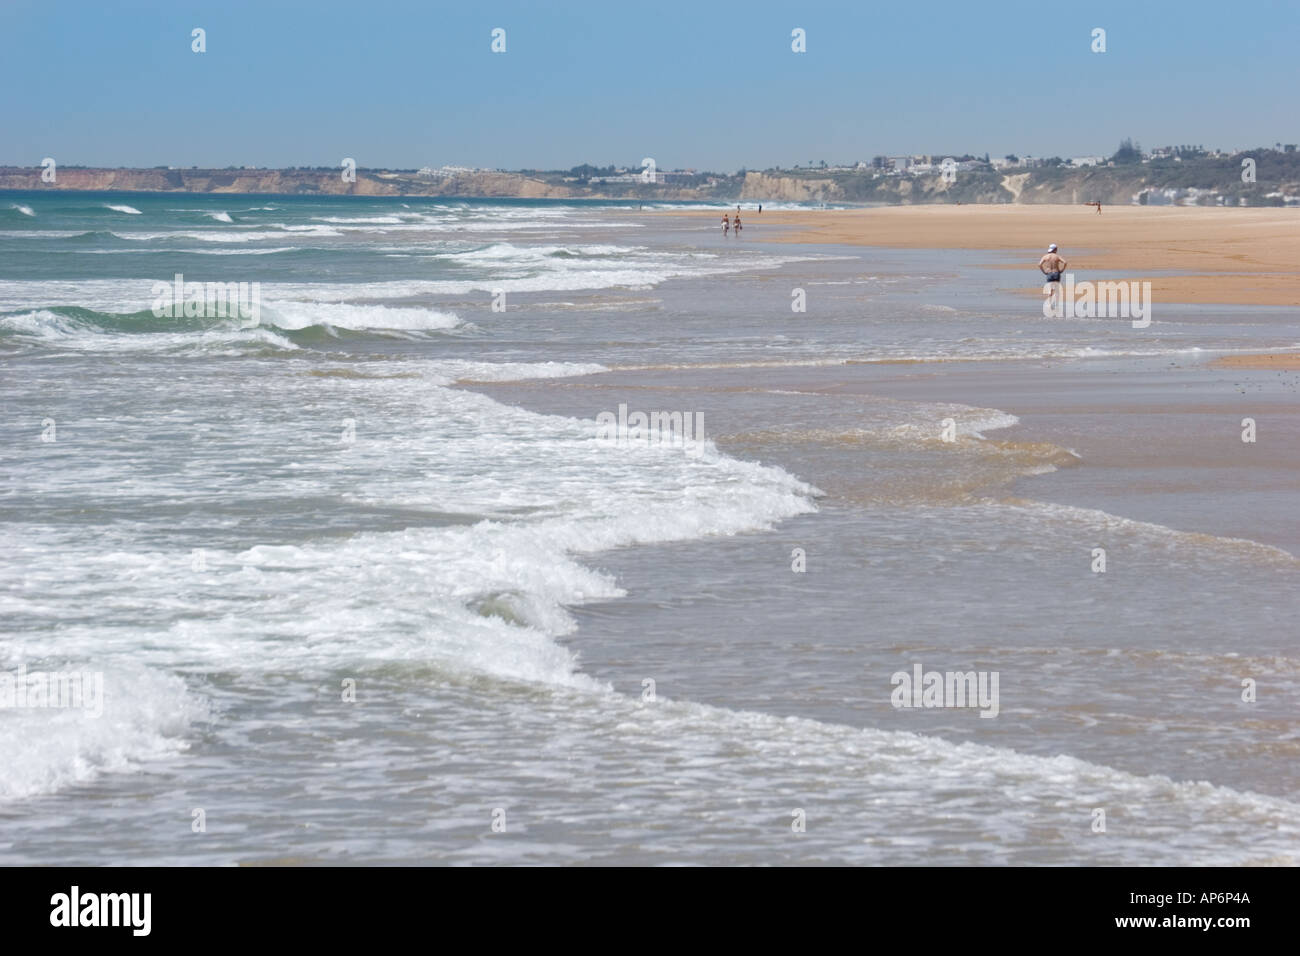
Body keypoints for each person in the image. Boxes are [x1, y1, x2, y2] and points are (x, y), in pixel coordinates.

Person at [1039, 243, 1067, 310]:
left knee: (1050, 290)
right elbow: (1065, 262)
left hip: (1049, 273)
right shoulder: (1057, 256)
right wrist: (1062, 270)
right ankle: (1057, 305)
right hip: (1056, 273)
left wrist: (1043, 271)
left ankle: (1050, 304)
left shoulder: (1045, 256)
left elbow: (1039, 264)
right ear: (1055, 249)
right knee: (1057, 290)